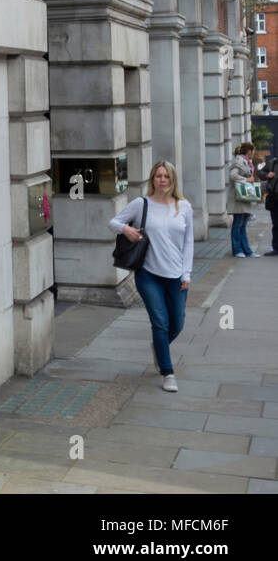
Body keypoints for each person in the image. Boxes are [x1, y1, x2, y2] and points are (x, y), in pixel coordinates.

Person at [109, 161, 192, 393]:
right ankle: (168, 372)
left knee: (177, 323)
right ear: (152, 179)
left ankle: (159, 347)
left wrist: (187, 274)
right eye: (158, 176)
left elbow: (188, 243)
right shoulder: (141, 204)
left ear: (172, 180)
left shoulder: (184, 207)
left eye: (166, 176)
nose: (162, 180)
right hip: (148, 274)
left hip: (176, 275)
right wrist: (126, 229)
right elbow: (113, 222)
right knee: (160, 322)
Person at [225, 142, 261, 258]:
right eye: (253, 151)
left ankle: (246, 250)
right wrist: (247, 180)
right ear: (249, 151)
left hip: (244, 198)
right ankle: (238, 250)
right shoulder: (239, 160)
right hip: (239, 198)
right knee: (238, 224)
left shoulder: (246, 161)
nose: (254, 153)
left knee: (242, 225)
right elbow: (233, 175)